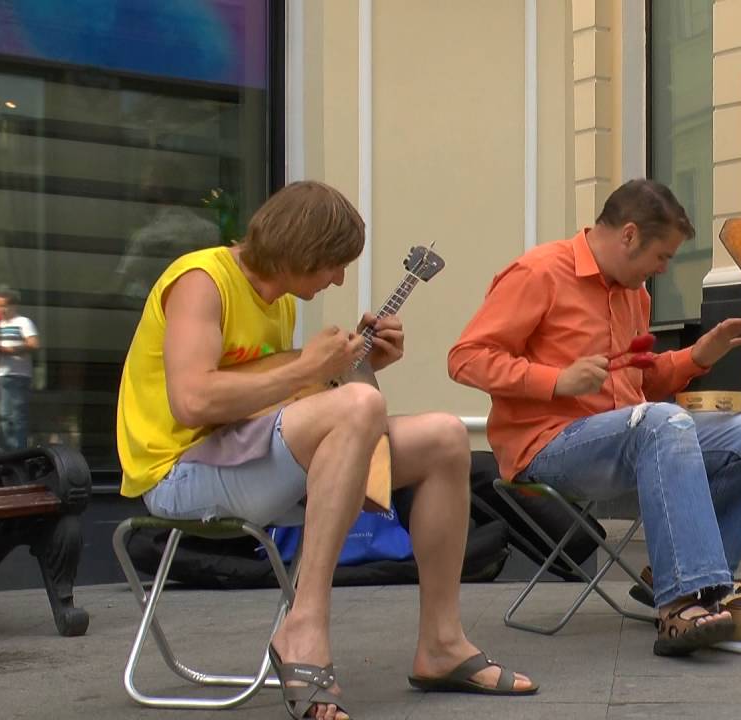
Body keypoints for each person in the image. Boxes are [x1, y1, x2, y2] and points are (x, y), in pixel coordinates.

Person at [117, 181, 536, 720]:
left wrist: (358, 367)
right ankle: (305, 626)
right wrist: (311, 372)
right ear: (299, 250)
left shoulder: (279, 301)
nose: (338, 278)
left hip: (246, 462)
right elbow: (194, 400)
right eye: (333, 265)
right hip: (179, 475)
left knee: (445, 437)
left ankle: (441, 643)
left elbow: (274, 398)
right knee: (359, 407)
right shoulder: (202, 280)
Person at [448, 178, 741, 657]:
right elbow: (465, 358)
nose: (663, 269)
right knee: (660, 422)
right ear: (629, 235)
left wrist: (697, 357)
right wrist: (554, 381)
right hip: (547, 447)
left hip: (630, 437)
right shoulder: (539, 271)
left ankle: (697, 586)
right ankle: (679, 605)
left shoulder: (634, 293)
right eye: (662, 256)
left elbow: (639, 386)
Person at [0, 288, 39, 451]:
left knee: (18, 417)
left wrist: (10, 351)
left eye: (5, 306)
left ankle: (18, 453)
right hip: (2, 374)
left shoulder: (23, 322)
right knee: (4, 417)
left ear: (14, 306)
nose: (2, 309)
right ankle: (6, 453)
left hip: (19, 375)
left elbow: (33, 343)